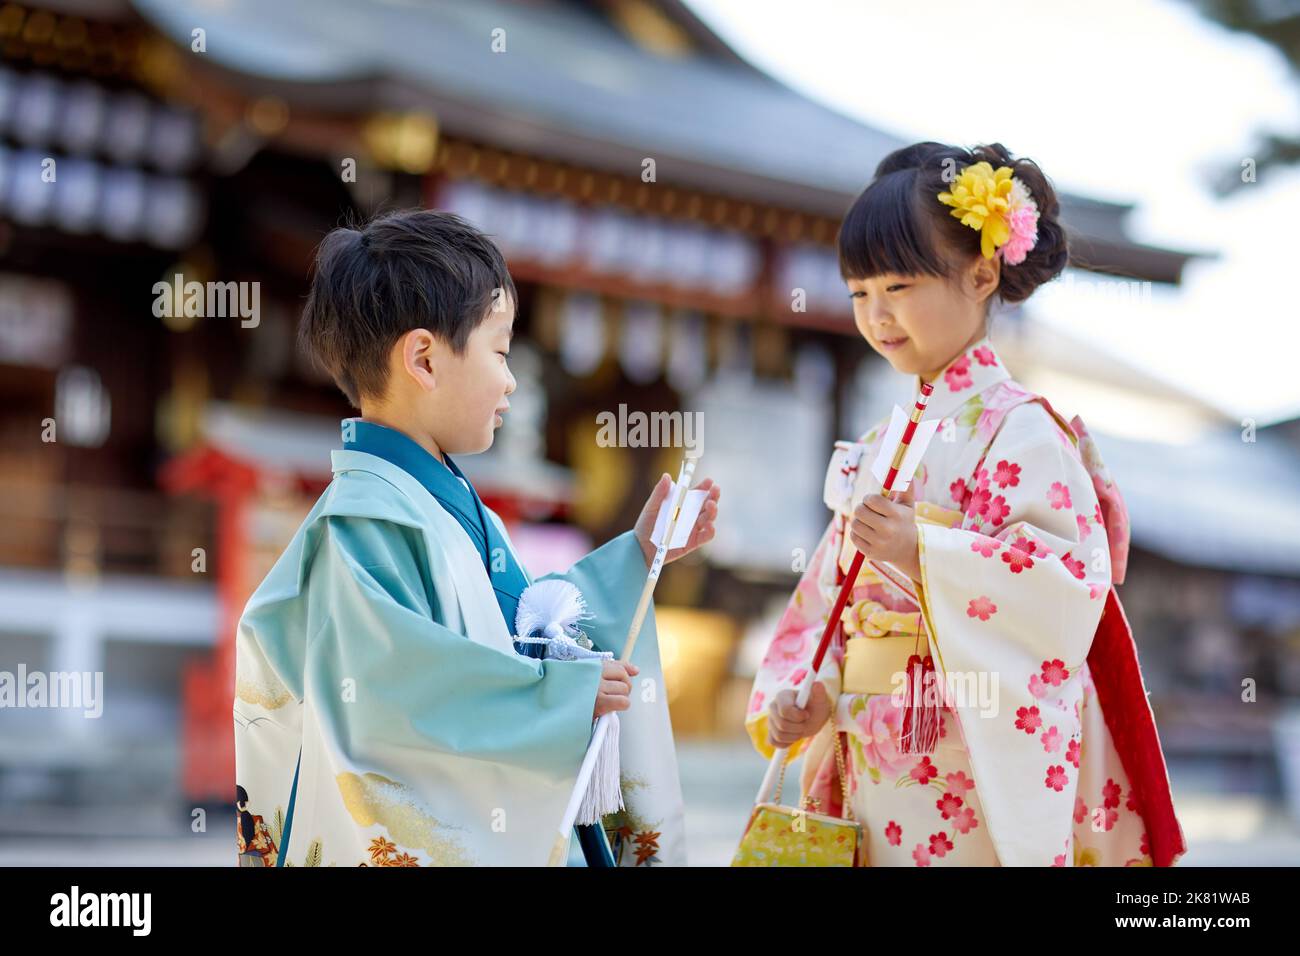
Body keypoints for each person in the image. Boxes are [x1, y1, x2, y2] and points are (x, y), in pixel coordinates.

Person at [233, 209, 719, 866]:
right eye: (499, 351)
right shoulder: (361, 524)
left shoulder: (443, 503)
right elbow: (393, 701)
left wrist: (635, 560)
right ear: (425, 359)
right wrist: (558, 695)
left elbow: (515, 629)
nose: (512, 380)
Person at [745, 143, 1185, 867]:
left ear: (981, 276)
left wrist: (923, 550)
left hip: (963, 759)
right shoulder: (883, 440)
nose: (877, 315)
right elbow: (829, 596)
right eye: (860, 293)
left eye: (899, 286)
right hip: (873, 752)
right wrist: (812, 690)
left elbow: (1064, 588)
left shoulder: (1024, 430)